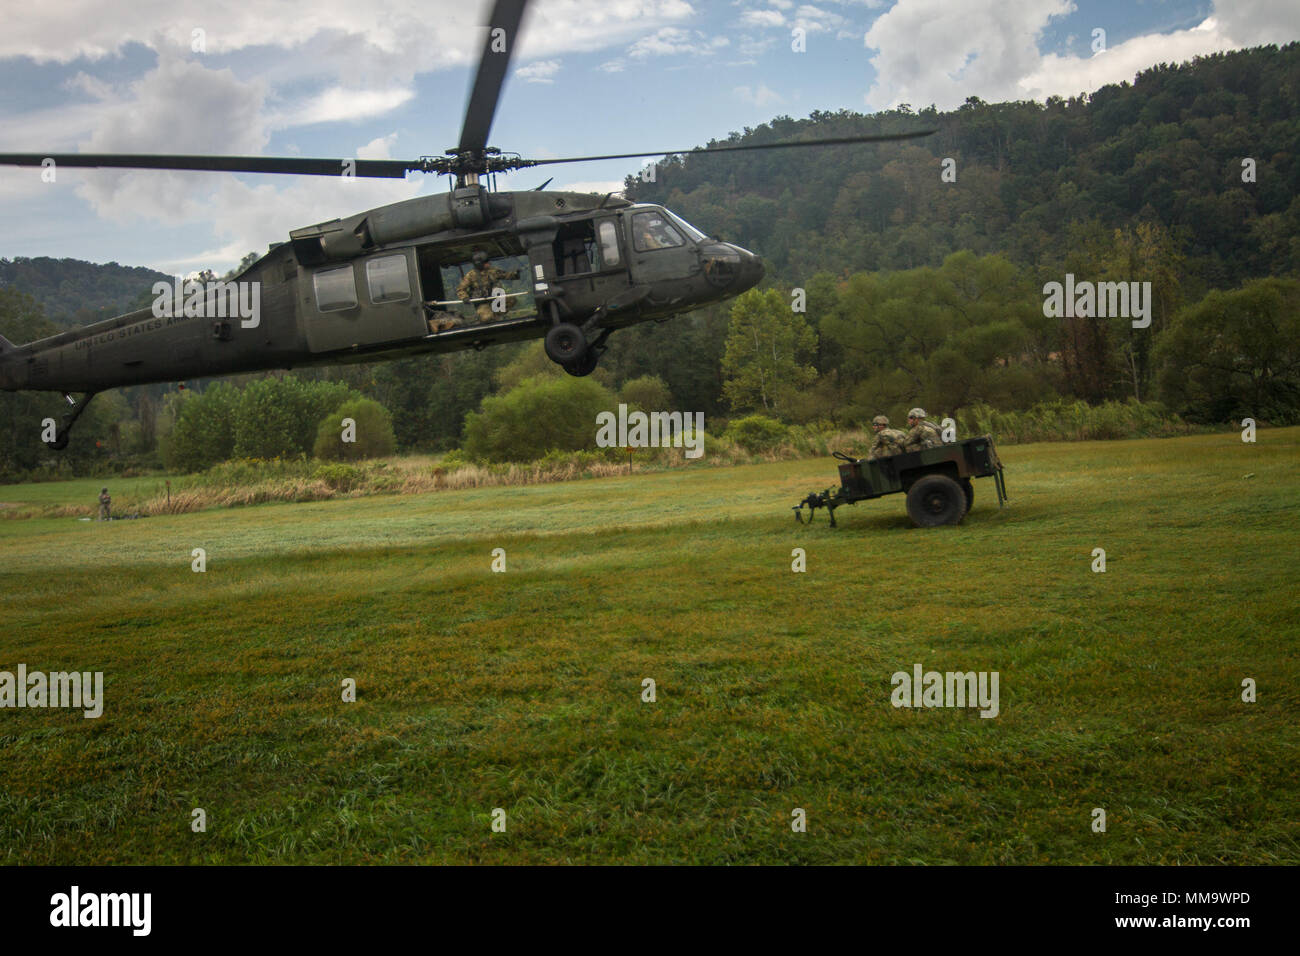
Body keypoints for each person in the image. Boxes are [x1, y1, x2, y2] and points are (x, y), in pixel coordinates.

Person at [456, 251, 520, 323]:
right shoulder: (470, 275)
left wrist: (515, 274)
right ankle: (489, 318)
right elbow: (460, 289)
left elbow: (505, 275)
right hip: (482, 302)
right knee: (486, 318)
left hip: (495, 299)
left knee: (512, 300)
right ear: (479, 264)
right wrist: (464, 297)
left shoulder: (493, 271)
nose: (488, 263)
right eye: (486, 262)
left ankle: (497, 316)